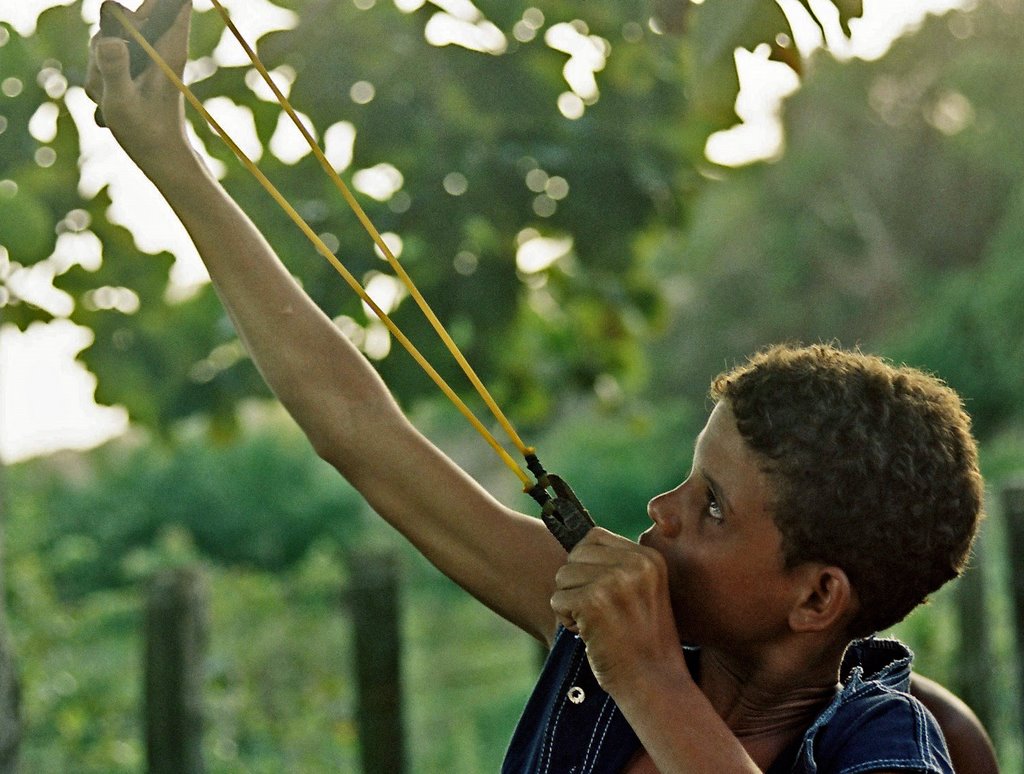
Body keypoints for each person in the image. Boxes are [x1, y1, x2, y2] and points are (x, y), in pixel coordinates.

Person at [86, 3, 995, 771]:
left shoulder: (885, 736)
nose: (660, 509)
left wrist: (647, 680)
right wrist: (172, 161)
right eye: (689, 476)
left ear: (816, 599)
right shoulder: (615, 624)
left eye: (712, 507)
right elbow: (354, 426)